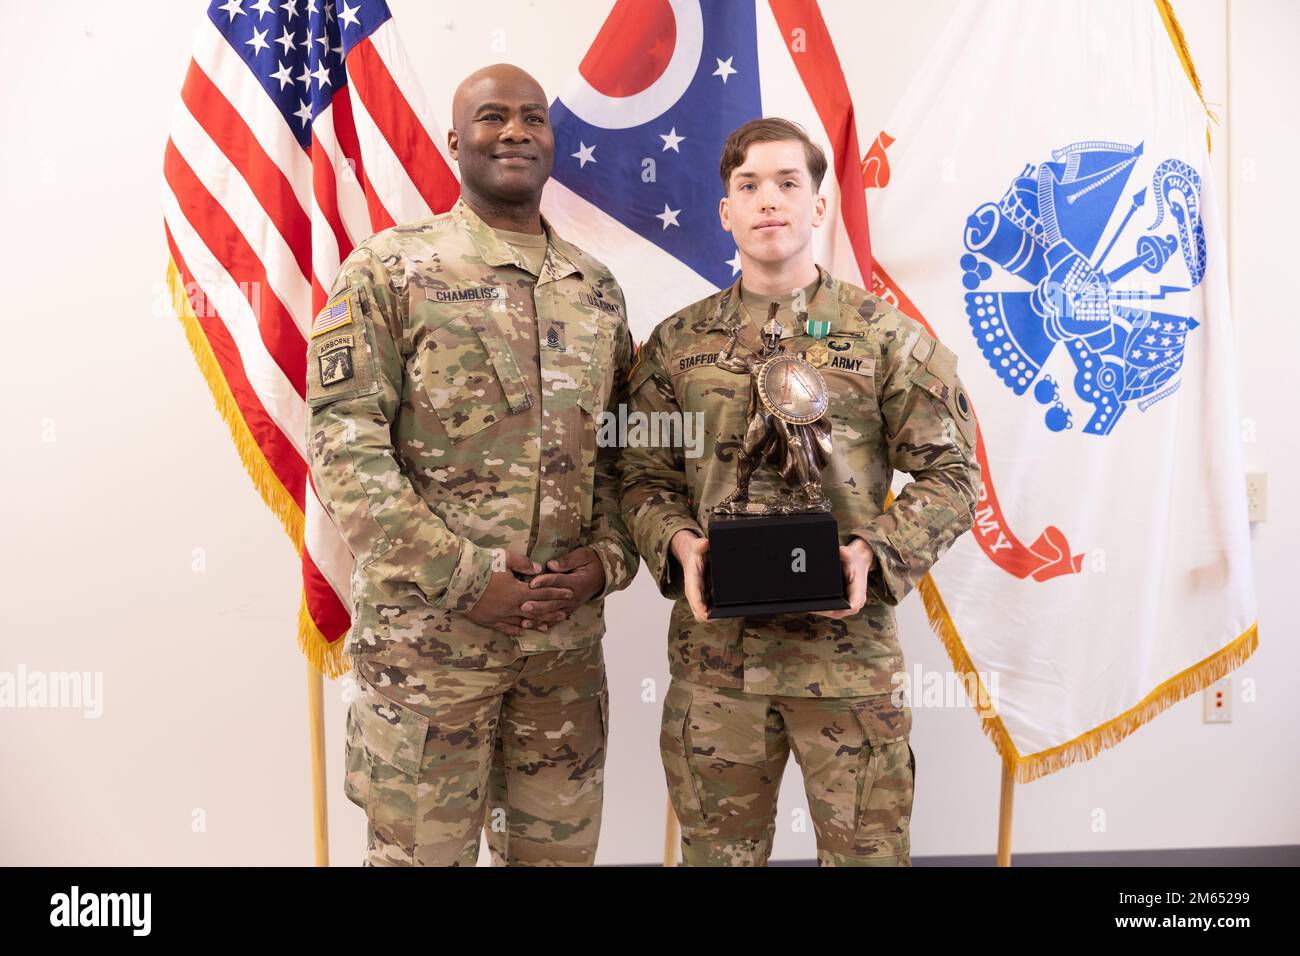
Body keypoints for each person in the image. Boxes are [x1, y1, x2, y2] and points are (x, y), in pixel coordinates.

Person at [620, 117, 982, 866]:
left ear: (819, 206)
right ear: (725, 212)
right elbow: (640, 476)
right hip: (718, 666)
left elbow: (954, 475)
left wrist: (873, 553)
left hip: (847, 666)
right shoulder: (676, 345)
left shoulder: (887, 337)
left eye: (789, 183)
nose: (768, 200)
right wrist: (680, 546)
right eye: (748, 186)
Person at [307, 64, 638, 866]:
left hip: (562, 655)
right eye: (493, 118)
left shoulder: (596, 289)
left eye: (532, 118)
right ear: (456, 141)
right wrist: (464, 577)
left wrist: (606, 561)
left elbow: (632, 452)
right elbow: (345, 447)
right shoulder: (389, 269)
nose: (516, 132)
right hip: (430, 653)